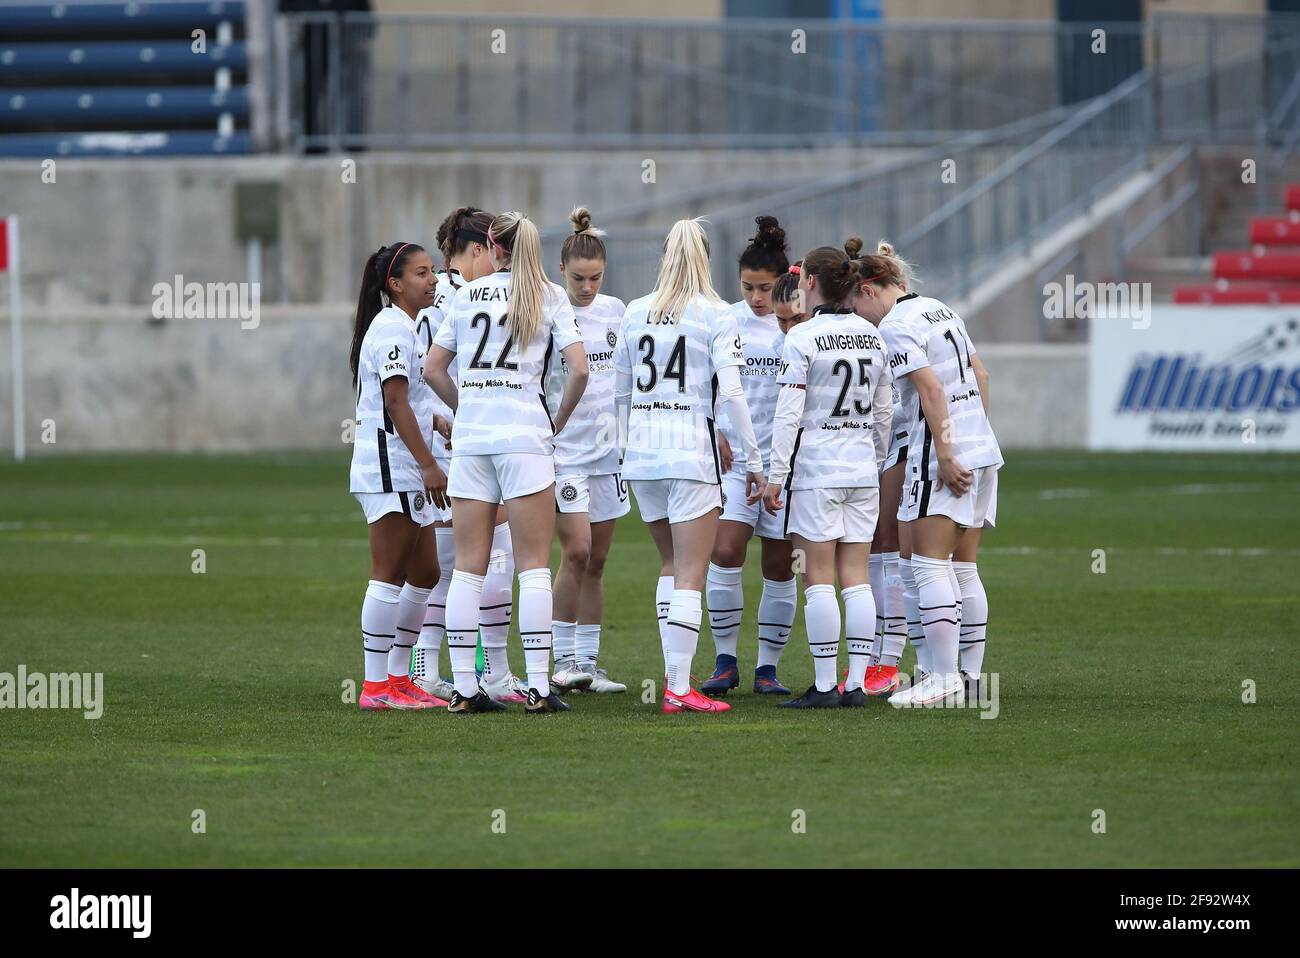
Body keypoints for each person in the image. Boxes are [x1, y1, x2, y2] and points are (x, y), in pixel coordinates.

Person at [425, 212, 590, 714]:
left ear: (492, 246)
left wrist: (466, 408)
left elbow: (433, 369)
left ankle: (464, 689)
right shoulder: (549, 295)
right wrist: (556, 418)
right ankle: (539, 687)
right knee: (533, 566)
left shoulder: (464, 295)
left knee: (468, 568)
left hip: (474, 440)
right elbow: (579, 370)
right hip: (525, 438)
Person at [614, 218, 765, 715]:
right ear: (704, 257)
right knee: (690, 575)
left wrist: (622, 450)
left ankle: (674, 677)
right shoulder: (717, 315)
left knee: (670, 565)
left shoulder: (634, 312)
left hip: (642, 456)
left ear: (665, 255)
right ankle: (678, 687)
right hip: (690, 456)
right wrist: (755, 459)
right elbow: (734, 393)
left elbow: (619, 393)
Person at [853, 241, 1001, 707]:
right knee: (964, 567)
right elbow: (980, 375)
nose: (859, 316)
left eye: (856, 304)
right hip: (982, 446)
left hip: (943, 455)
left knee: (927, 564)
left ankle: (942, 678)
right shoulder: (940, 309)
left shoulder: (895, 326)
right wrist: (973, 439)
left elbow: (931, 390)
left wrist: (947, 453)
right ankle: (970, 676)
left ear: (868, 290)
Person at [762, 245, 892, 708]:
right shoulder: (873, 336)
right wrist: (872, 459)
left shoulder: (802, 338)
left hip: (817, 470)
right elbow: (883, 413)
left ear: (810, 283)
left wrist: (775, 476)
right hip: (861, 470)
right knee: (856, 576)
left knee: (818, 577)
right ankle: (854, 683)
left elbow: (787, 416)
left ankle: (822, 686)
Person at [411, 207, 530, 705]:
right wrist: (452, 419)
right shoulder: (446, 299)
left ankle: (481, 672)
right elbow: (426, 374)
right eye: (498, 249)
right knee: (462, 559)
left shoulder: (463, 293)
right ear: (479, 249)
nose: (504, 260)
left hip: (477, 436)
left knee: (480, 559)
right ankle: (433, 664)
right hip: (457, 441)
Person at [348, 241, 450, 710]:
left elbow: (410, 401)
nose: (432, 280)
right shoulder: (391, 327)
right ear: (395, 284)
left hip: (409, 464)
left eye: (433, 272)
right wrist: (429, 464)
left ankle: (399, 677)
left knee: (426, 571)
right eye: (422, 273)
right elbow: (394, 402)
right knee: (388, 573)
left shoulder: (406, 327)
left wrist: (437, 421)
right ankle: (374, 687)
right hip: (391, 467)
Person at [702, 216, 799, 697]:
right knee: (724, 552)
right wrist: (714, 431)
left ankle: (767, 669)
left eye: (764, 288)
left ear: (783, 284)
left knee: (780, 566)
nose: (756, 297)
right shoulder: (725, 321)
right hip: (737, 463)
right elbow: (707, 385)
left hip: (783, 467)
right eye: (747, 287)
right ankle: (724, 662)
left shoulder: (797, 329)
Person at [547, 207, 630, 695]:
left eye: (595, 278)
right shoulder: (549, 311)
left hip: (609, 453)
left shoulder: (616, 311)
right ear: (562, 272)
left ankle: (589, 665)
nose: (587, 288)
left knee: (597, 560)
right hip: (566, 452)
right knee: (575, 552)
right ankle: (560, 661)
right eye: (579, 278)